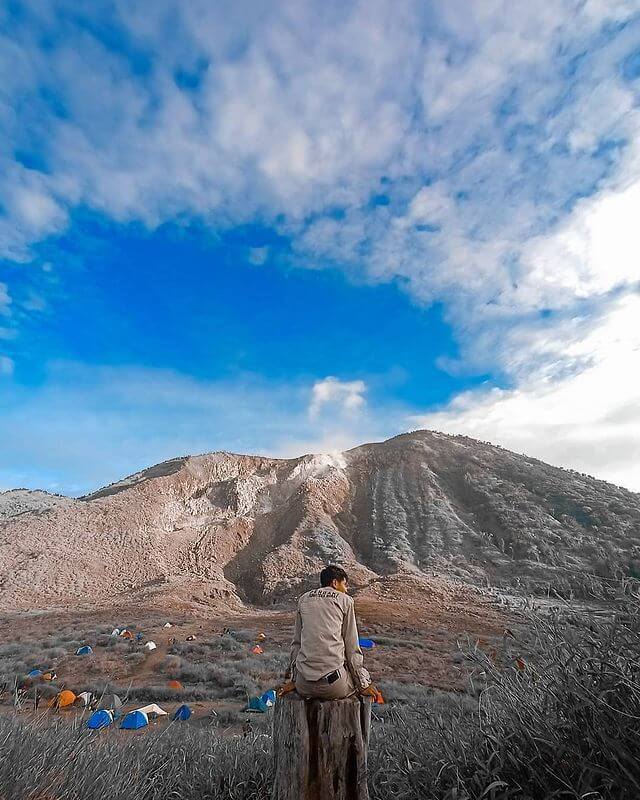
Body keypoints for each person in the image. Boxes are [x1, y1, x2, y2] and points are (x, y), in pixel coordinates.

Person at [278, 564, 377, 700]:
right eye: (345, 585)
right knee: (357, 687)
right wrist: (363, 685)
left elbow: (297, 644)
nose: (346, 590)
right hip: (333, 685)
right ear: (335, 583)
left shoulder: (304, 599)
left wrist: (293, 680)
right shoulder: (345, 601)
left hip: (303, 685)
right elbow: (352, 647)